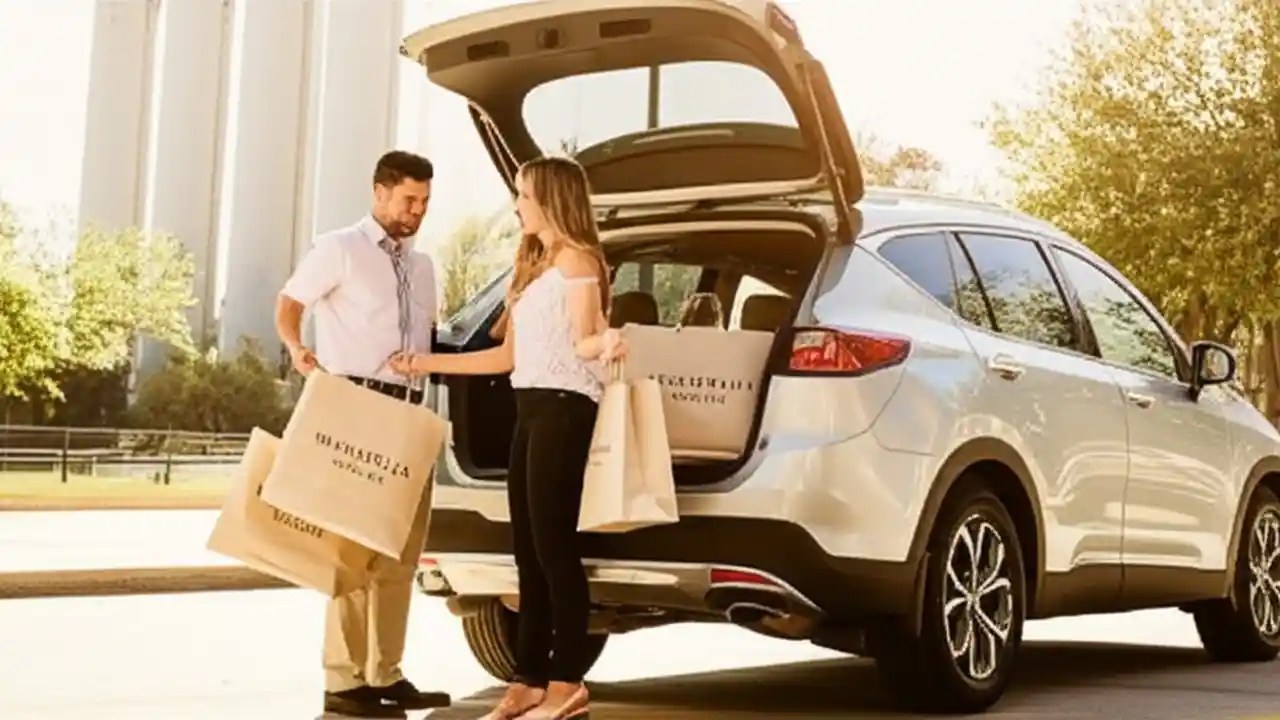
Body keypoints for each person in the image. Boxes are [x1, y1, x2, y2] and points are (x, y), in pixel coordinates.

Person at [391, 156, 624, 720]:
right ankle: (527, 680)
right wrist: (424, 362)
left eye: (523, 195)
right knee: (527, 551)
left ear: (549, 198)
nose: (517, 204)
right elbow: (506, 357)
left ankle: (567, 681)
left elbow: (588, 340)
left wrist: (613, 341)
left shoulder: (579, 261)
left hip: (567, 409)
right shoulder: (536, 268)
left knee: (553, 548)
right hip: (530, 408)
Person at [275, 150, 451, 719]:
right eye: (408, 200)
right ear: (379, 193)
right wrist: (298, 347)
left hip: (410, 412)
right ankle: (343, 679)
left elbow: (428, 337)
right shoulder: (340, 248)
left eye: (424, 202)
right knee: (350, 551)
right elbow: (289, 303)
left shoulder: (423, 266)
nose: (417, 211)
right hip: (356, 405)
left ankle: (386, 671)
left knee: (400, 552)